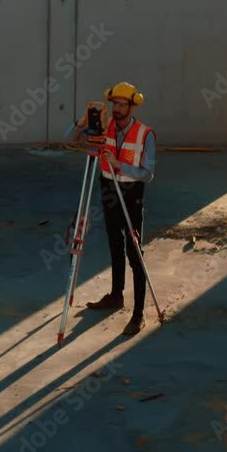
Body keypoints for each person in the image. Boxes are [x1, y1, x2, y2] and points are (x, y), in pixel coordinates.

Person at [68, 82, 156, 335]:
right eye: (113, 104)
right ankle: (116, 295)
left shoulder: (145, 134)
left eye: (121, 105)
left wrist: (119, 165)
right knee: (114, 245)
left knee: (134, 251)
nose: (116, 109)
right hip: (108, 188)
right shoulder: (103, 127)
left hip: (131, 193)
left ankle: (138, 313)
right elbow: (70, 140)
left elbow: (147, 174)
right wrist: (82, 122)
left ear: (132, 105)